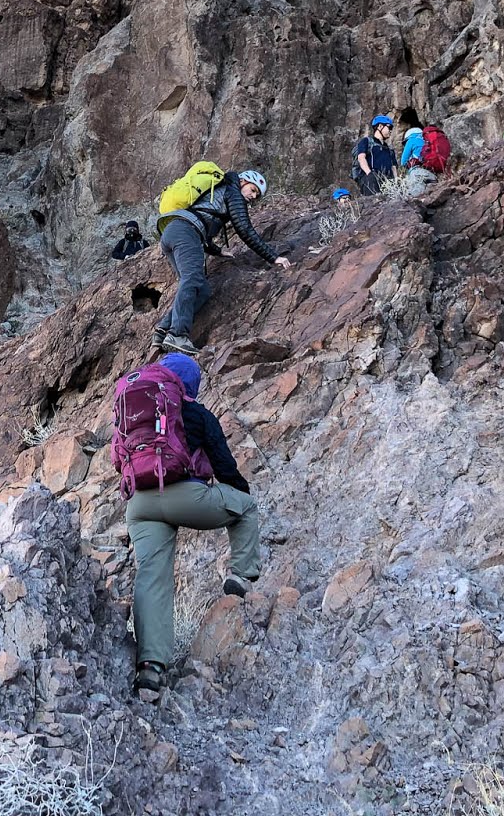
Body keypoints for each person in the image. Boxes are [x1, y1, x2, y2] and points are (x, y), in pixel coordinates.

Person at [126, 352, 260, 693]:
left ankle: (150, 671)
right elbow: (225, 467)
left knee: (152, 578)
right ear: (192, 386)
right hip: (186, 496)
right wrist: (237, 494)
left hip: (140, 504)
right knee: (245, 508)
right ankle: (241, 575)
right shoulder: (197, 413)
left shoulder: (139, 412)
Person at [153, 169, 289, 354]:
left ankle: (162, 331)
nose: (253, 196)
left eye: (257, 195)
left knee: (202, 289)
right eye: (253, 190)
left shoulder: (219, 193)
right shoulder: (232, 192)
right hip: (185, 232)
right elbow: (245, 229)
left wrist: (218, 251)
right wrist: (274, 257)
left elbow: (203, 221)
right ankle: (177, 334)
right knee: (191, 279)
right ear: (242, 181)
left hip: (174, 232)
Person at [352, 115, 397, 195]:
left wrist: (396, 181)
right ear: (380, 126)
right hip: (370, 178)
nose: (391, 130)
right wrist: (369, 175)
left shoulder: (389, 149)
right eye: (389, 127)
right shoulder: (366, 141)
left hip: (387, 181)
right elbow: (361, 158)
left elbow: (393, 167)